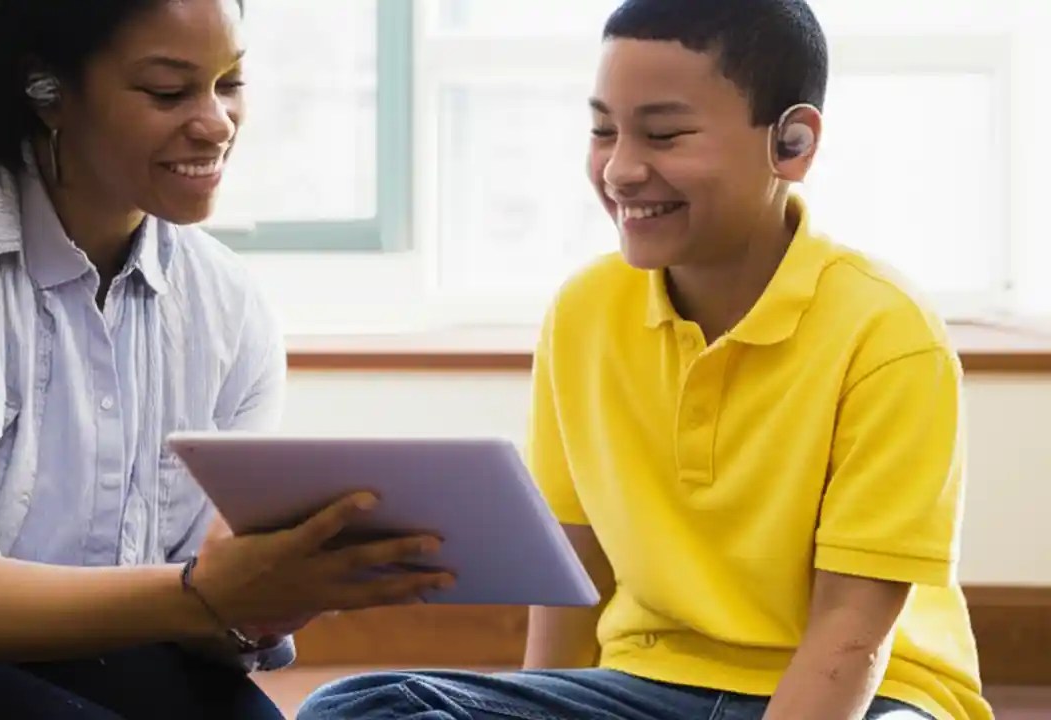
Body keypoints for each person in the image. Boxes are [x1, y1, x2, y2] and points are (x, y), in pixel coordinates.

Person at [300, 0, 993, 719]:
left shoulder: (888, 331)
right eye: (603, 130)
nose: (622, 169)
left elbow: (852, 633)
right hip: (648, 689)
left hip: (866, 696)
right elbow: (575, 575)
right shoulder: (585, 312)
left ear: (791, 142)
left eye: (664, 134)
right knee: (361, 705)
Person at [0, 0, 454, 717]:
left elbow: (202, 609)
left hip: (95, 653)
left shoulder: (227, 307)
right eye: (168, 91)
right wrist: (203, 594)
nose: (216, 122)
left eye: (229, 84)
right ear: (47, 91)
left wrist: (273, 591)